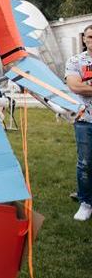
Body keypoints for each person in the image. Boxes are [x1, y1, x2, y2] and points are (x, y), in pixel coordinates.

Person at [65, 24, 92, 222]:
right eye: (90, 37)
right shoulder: (75, 61)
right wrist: (82, 86)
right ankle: (86, 202)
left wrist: (86, 85)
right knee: (85, 163)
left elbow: (83, 86)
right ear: (84, 39)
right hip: (84, 119)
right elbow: (75, 86)